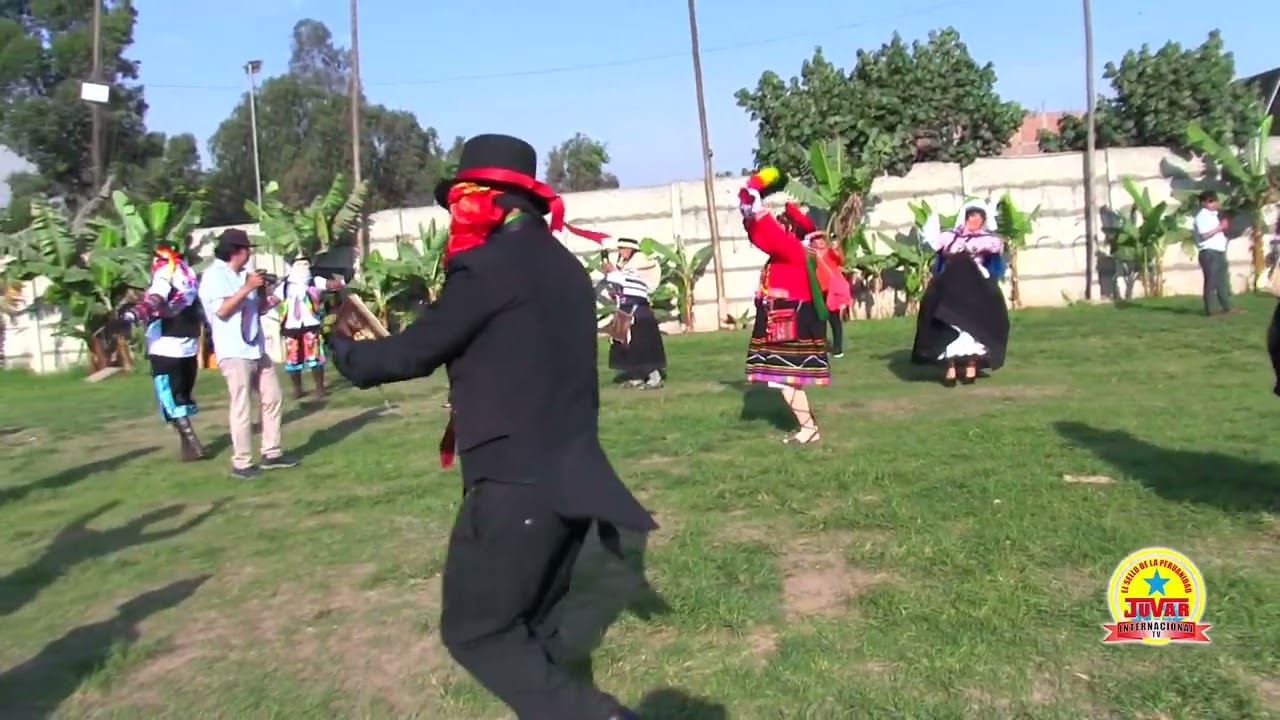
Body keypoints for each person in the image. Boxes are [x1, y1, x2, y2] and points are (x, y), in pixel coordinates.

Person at [327, 133, 655, 720]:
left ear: (497, 202)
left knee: (478, 632)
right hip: (573, 479)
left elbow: (410, 354)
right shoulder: (566, 269)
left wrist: (344, 350)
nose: (454, 212)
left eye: (461, 198)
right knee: (537, 631)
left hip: (515, 481)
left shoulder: (485, 268)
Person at [197, 229, 299, 479]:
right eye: (246, 249)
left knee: (273, 397)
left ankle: (271, 452)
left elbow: (259, 308)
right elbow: (221, 311)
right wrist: (247, 288)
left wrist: (264, 292)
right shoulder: (214, 276)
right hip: (233, 351)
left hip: (256, 347)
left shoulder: (244, 276)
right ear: (236, 251)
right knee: (242, 405)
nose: (250, 253)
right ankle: (241, 462)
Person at [738, 169, 830, 445]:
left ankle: (808, 427)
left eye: (784, 223)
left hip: (788, 319)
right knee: (786, 378)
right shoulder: (799, 251)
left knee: (784, 378)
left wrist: (753, 201)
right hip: (786, 317)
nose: (780, 225)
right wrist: (750, 212)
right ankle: (807, 426)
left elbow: (768, 235)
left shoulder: (794, 250)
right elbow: (763, 237)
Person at [118, 242, 207, 461]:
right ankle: (188, 448)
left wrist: (134, 314)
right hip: (188, 344)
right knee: (181, 395)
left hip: (166, 345)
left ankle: (193, 443)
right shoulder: (189, 275)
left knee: (170, 397)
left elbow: (155, 297)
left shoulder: (165, 272)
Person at [910, 200, 1010, 386]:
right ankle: (950, 367)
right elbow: (935, 245)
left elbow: (996, 245)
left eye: (979, 217)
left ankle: (971, 366)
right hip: (951, 280)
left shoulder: (986, 238)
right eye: (972, 216)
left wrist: (971, 247)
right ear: (965, 217)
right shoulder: (950, 236)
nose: (975, 220)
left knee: (974, 323)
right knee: (946, 317)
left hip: (976, 282)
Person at [273, 255, 345, 399]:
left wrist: (344, 278)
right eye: (299, 264)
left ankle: (320, 388)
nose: (303, 267)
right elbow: (273, 300)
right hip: (291, 327)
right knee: (293, 359)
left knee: (315, 357)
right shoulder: (285, 285)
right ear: (293, 266)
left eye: (306, 264)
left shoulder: (315, 281)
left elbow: (332, 284)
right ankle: (297, 389)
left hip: (311, 325)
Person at [601, 237, 667, 389]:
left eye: (623, 248)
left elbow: (632, 281)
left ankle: (654, 377)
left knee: (643, 344)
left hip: (638, 311)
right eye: (619, 249)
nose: (620, 251)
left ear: (631, 249)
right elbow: (622, 286)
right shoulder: (625, 265)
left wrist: (613, 272)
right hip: (625, 309)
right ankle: (636, 376)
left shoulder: (640, 261)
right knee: (627, 346)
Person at [808, 221, 852, 358]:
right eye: (817, 239)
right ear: (812, 242)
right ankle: (821, 346)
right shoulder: (809, 255)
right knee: (819, 319)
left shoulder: (830, 251)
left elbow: (843, 262)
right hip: (817, 290)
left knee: (834, 319)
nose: (820, 241)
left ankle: (838, 348)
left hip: (831, 290)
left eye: (822, 238)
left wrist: (838, 249)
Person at [1192, 190, 1238, 316]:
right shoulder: (1202, 216)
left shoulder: (1216, 215)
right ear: (1203, 203)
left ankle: (1227, 307)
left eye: (1215, 200)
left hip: (1219, 251)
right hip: (1209, 252)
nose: (1214, 203)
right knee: (1211, 281)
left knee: (1221, 281)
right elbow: (1205, 235)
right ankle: (1210, 310)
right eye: (1210, 201)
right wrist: (1220, 228)